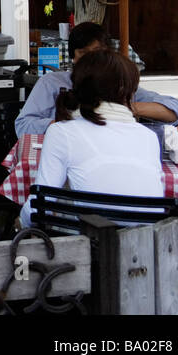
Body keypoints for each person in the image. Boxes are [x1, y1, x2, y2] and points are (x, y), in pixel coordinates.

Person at [19, 50, 164, 227]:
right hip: (148, 244)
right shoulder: (148, 137)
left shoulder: (62, 132)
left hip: (91, 246)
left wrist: (19, 223)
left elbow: (39, 208)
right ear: (127, 92)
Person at [15, 22, 178, 138]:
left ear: (108, 54)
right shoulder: (52, 83)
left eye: (98, 52)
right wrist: (65, 125)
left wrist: (124, 108)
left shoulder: (117, 84)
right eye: (84, 53)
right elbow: (23, 126)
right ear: (73, 57)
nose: (93, 59)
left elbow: (176, 111)